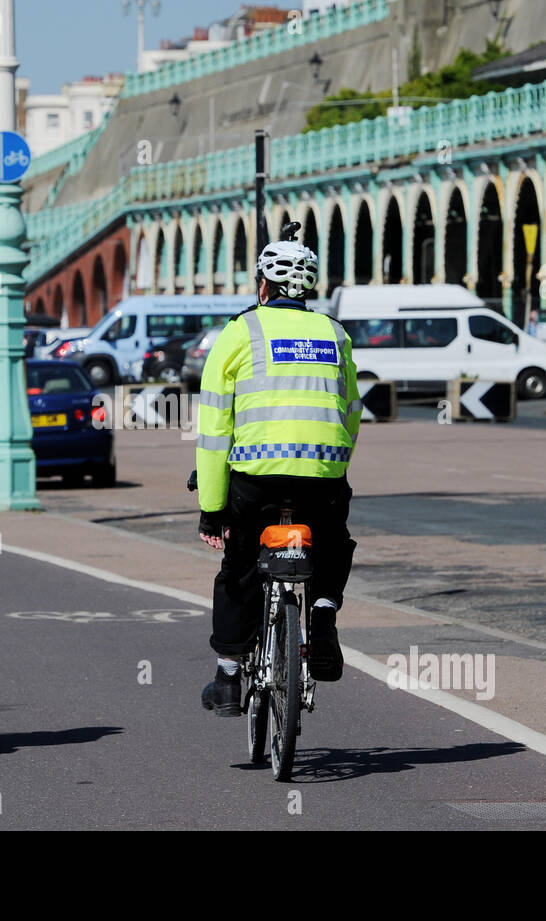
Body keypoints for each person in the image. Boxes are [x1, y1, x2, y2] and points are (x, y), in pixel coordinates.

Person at [195, 225, 361, 716]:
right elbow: (351, 412)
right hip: (321, 477)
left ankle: (228, 677)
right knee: (332, 546)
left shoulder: (240, 332)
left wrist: (210, 509)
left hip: (256, 477)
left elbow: (213, 427)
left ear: (262, 285)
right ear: (308, 288)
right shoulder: (335, 333)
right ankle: (325, 617)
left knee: (239, 571)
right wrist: (330, 460)